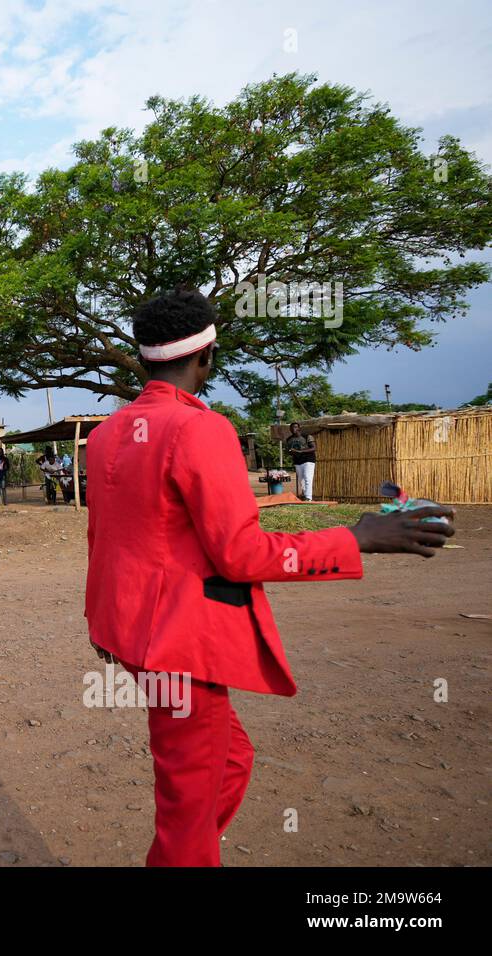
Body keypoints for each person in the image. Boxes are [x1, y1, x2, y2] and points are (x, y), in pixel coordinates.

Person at [84, 286, 455, 867]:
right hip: (180, 642)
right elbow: (240, 554)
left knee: (227, 764)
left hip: (132, 631)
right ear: (206, 355)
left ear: (146, 355)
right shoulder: (201, 430)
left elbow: (105, 541)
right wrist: (356, 539)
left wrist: (106, 625)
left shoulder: (107, 433)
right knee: (189, 801)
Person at [284, 422, 317, 501]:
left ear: (299, 428)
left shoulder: (307, 436)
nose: (293, 429)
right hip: (297, 461)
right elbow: (288, 451)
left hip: (308, 460)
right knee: (301, 480)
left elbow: (314, 448)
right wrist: (290, 452)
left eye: (295, 427)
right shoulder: (289, 439)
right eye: (291, 428)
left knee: (307, 478)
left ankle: (309, 498)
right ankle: (305, 495)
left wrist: (300, 451)